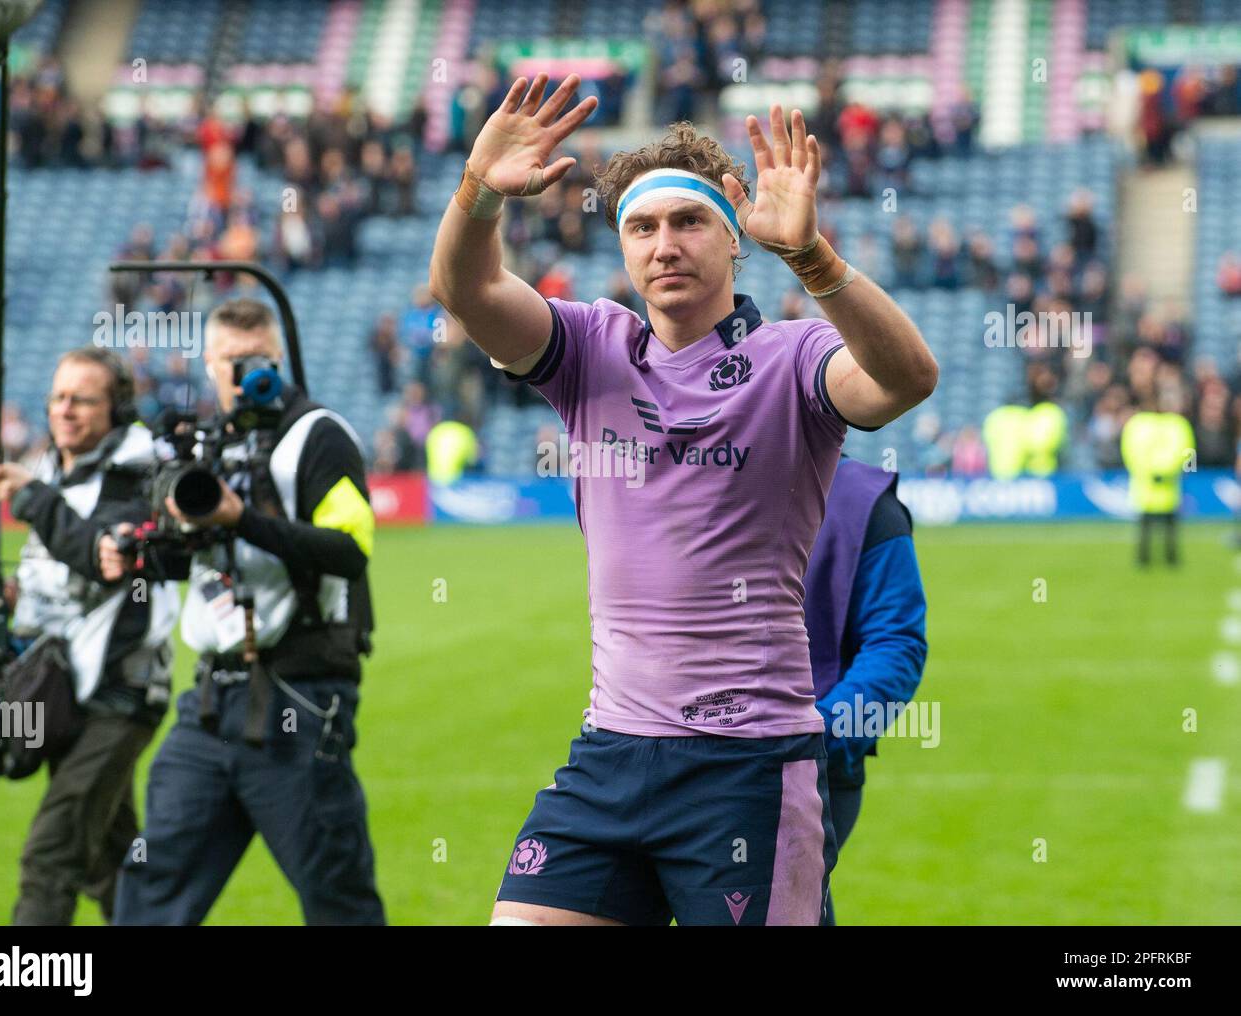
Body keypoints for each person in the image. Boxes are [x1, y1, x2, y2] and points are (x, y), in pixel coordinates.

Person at [429, 73, 938, 926]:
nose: (664, 244)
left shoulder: (793, 356)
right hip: (610, 753)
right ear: (622, 248)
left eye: (689, 220)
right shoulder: (589, 348)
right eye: (642, 227)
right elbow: (468, 293)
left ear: (733, 234)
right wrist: (478, 193)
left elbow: (906, 378)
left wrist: (814, 258)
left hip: (749, 765)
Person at [114, 298, 385, 925]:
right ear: (207, 365)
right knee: (154, 879)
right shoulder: (207, 445)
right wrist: (137, 551)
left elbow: (350, 551)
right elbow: (187, 559)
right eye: (228, 362)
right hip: (211, 700)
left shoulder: (318, 435)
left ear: (278, 359)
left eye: (254, 361)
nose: (240, 376)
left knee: (336, 894)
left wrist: (245, 519)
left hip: (298, 694)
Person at [0, 347, 181, 925]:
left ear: (116, 409)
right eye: (57, 398)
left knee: (52, 855)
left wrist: (33, 499)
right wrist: (15, 593)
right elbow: (59, 565)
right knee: (113, 863)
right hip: (63, 690)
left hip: (119, 693)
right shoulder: (50, 465)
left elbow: (104, 555)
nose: (65, 411)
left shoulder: (142, 469)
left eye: (83, 400)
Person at [802, 457, 928, 925]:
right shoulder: (685, 475)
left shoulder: (864, 501)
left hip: (811, 774)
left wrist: (816, 737)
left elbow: (897, 646)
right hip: (653, 756)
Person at [1121, 387, 1195, 568]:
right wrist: (1176, 471)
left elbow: (1129, 451)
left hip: (1152, 484)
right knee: (1150, 524)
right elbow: (1189, 452)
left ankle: (1163, 557)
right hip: (1156, 484)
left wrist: (1149, 471)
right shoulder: (1174, 424)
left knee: (1163, 524)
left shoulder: (1141, 424)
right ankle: (1148, 557)